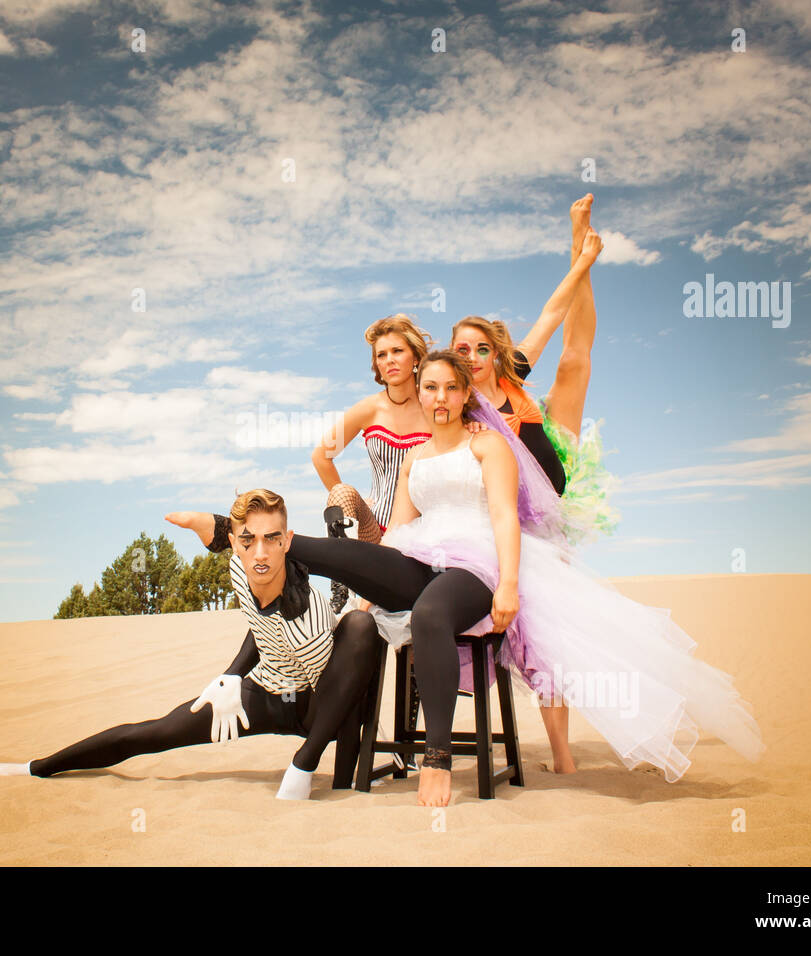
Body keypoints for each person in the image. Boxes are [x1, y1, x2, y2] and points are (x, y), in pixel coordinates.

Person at [173, 350, 764, 806]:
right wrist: (361, 551)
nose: (438, 396)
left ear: (464, 395)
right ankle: (235, 530)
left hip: (477, 563)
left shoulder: (488, 448)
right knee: (340, 553)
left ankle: (435, 758)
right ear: (422, 394)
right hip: (420, 553)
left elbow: (506, 517)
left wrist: (507, 585)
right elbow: (397, 530)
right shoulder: (414, 457)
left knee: (432, 610)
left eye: (450, 387)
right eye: (430, 387)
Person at [0, 489, 386, 801]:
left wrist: (323, 770)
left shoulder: (309, 612)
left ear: (288, 541)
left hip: (318, 707)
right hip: (261, 694)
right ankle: (39, 766)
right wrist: (231, 677)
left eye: (272, 539)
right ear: (234, 541)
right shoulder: (237, 566)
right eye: (247, 541)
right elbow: (259, 622)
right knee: (155, 732)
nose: (259, 553)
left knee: (360, 625)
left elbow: (345, 697)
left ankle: (302, 763)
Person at [451, 194, 617, 545]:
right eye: (462, 350)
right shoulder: (456, 403)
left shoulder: (509, 373)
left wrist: (583, 257)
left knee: (574, 361)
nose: (473, 357)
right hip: (519, 512)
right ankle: (582, 248)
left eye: (482, 349)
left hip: (560, 478)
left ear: (495, 353)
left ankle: (580, 239)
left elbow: (552, 314)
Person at [309, 314, 434, 611]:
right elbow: (321, 456)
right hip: (374, 529)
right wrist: (364, 501)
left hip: (421, 530)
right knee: (341, 493)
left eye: (397, 351)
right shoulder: (370, 409)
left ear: (415, 356)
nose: (389, 360)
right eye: (381, 354)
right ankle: (340, 581)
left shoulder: (434, 406)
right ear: (376, 364)